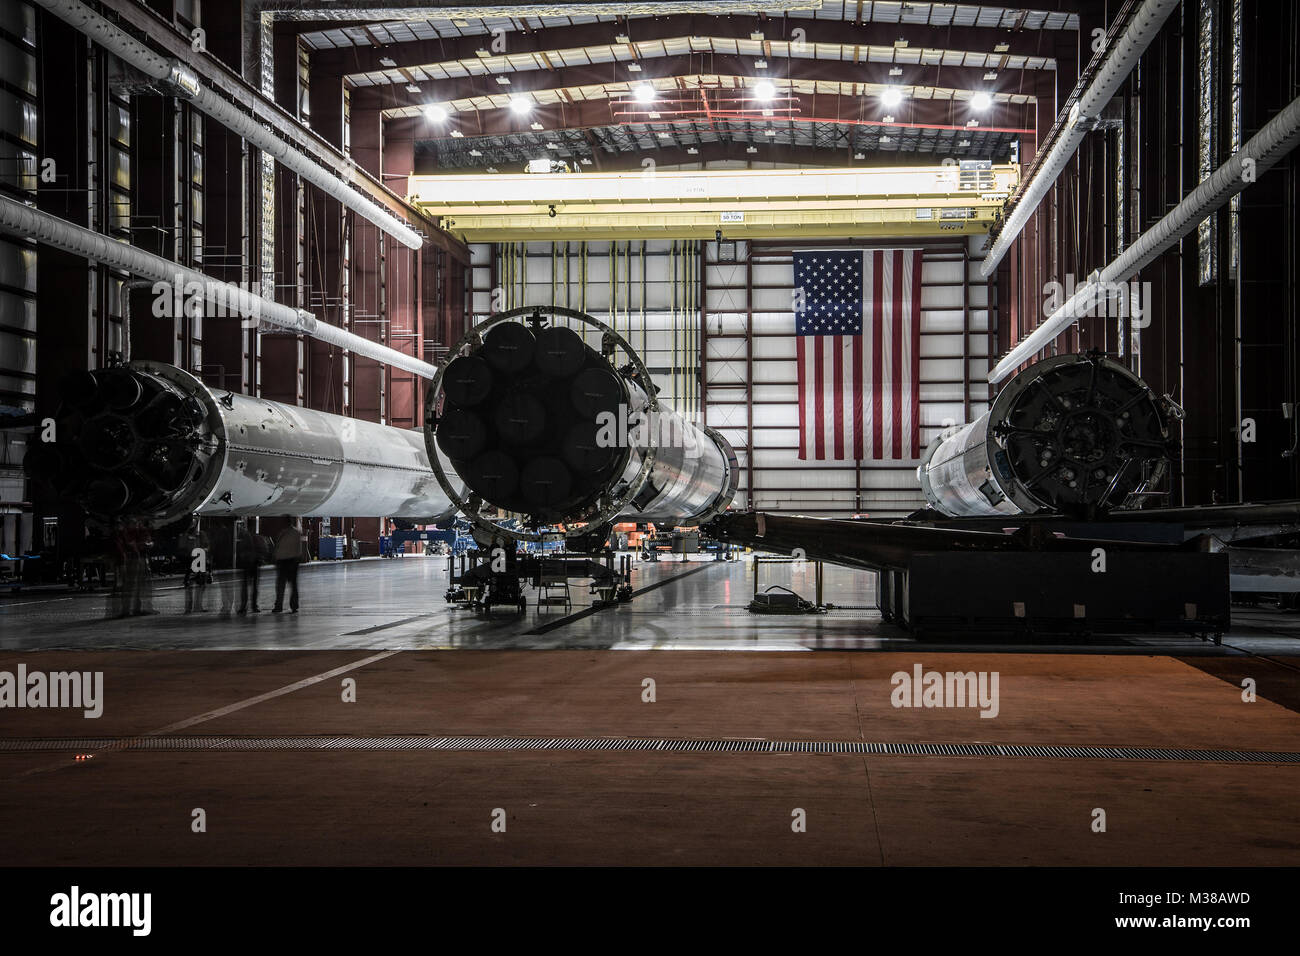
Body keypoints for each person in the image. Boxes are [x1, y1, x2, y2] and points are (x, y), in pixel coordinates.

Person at [272, 516, 308, 613]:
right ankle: (292, 606)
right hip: (287, 561)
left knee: (283, 585)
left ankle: (282, 605)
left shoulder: (289, 533)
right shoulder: (289, 532)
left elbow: (297, 548)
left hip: (289, 561)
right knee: (290, 585)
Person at [178, 517, 210, 613]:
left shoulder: (201, 534)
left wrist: (205, 550)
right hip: (191, 561)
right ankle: (188, 607)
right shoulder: (186, 535)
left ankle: (198, 606)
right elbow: (182, 547)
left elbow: (207, 545)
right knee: (189, 584)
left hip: (200, 561)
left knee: (201, 584)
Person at [236, 520, 262, 614]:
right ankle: (253, 606)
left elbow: (241, 549)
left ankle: (244, 606)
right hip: (252, 563)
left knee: (246, 587)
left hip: (248, 563)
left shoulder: (246, 537)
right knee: (253, 587)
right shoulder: (255, 537)